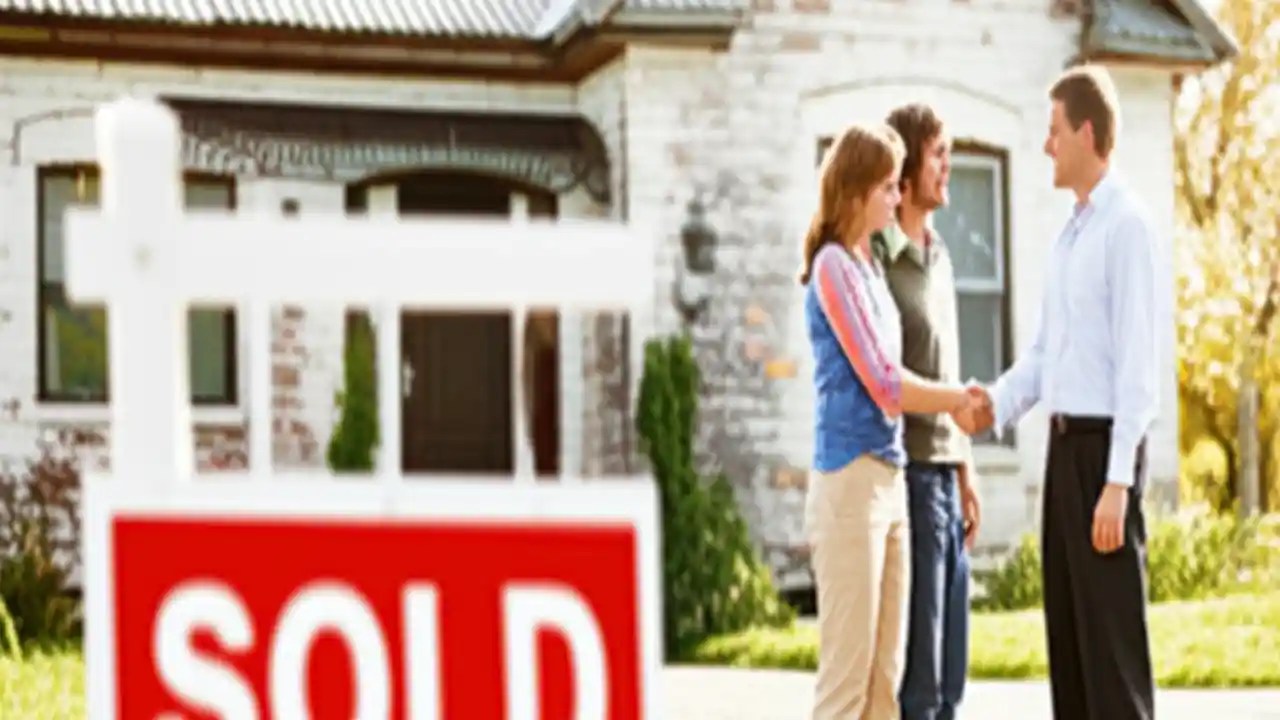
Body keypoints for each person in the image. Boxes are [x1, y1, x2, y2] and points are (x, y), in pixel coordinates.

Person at [967, 64, 1160, 720]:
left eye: (1053, 130)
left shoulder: (1126, 227)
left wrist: (1117, 482)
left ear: (1084, 131)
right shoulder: (1068, 236)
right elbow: (1048, 356)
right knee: (1071, 648)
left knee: (1114, 656)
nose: (1046, 145)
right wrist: (994, 402)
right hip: (1062, 454)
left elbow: (1138, 366)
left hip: (1105, 455)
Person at [799, 122, 984, 720]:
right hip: (849, 482)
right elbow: (883, 381)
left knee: (886, 683)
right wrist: (958, 398)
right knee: (847, 684)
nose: (896, 197)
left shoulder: (870, 268)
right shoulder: (832, 267)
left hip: (892, 482)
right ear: (855, 192)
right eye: (885, 186)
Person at [871, 103, 980, 720]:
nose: (949, 166)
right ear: (906, 171)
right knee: (922, 668)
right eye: (939, 153)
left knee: (953, 667)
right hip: (909, 477)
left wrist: (966, 470)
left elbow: (949, 366)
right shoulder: (882, 263)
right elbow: (891, 377)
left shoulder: (941, 260)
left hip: (945, 471)